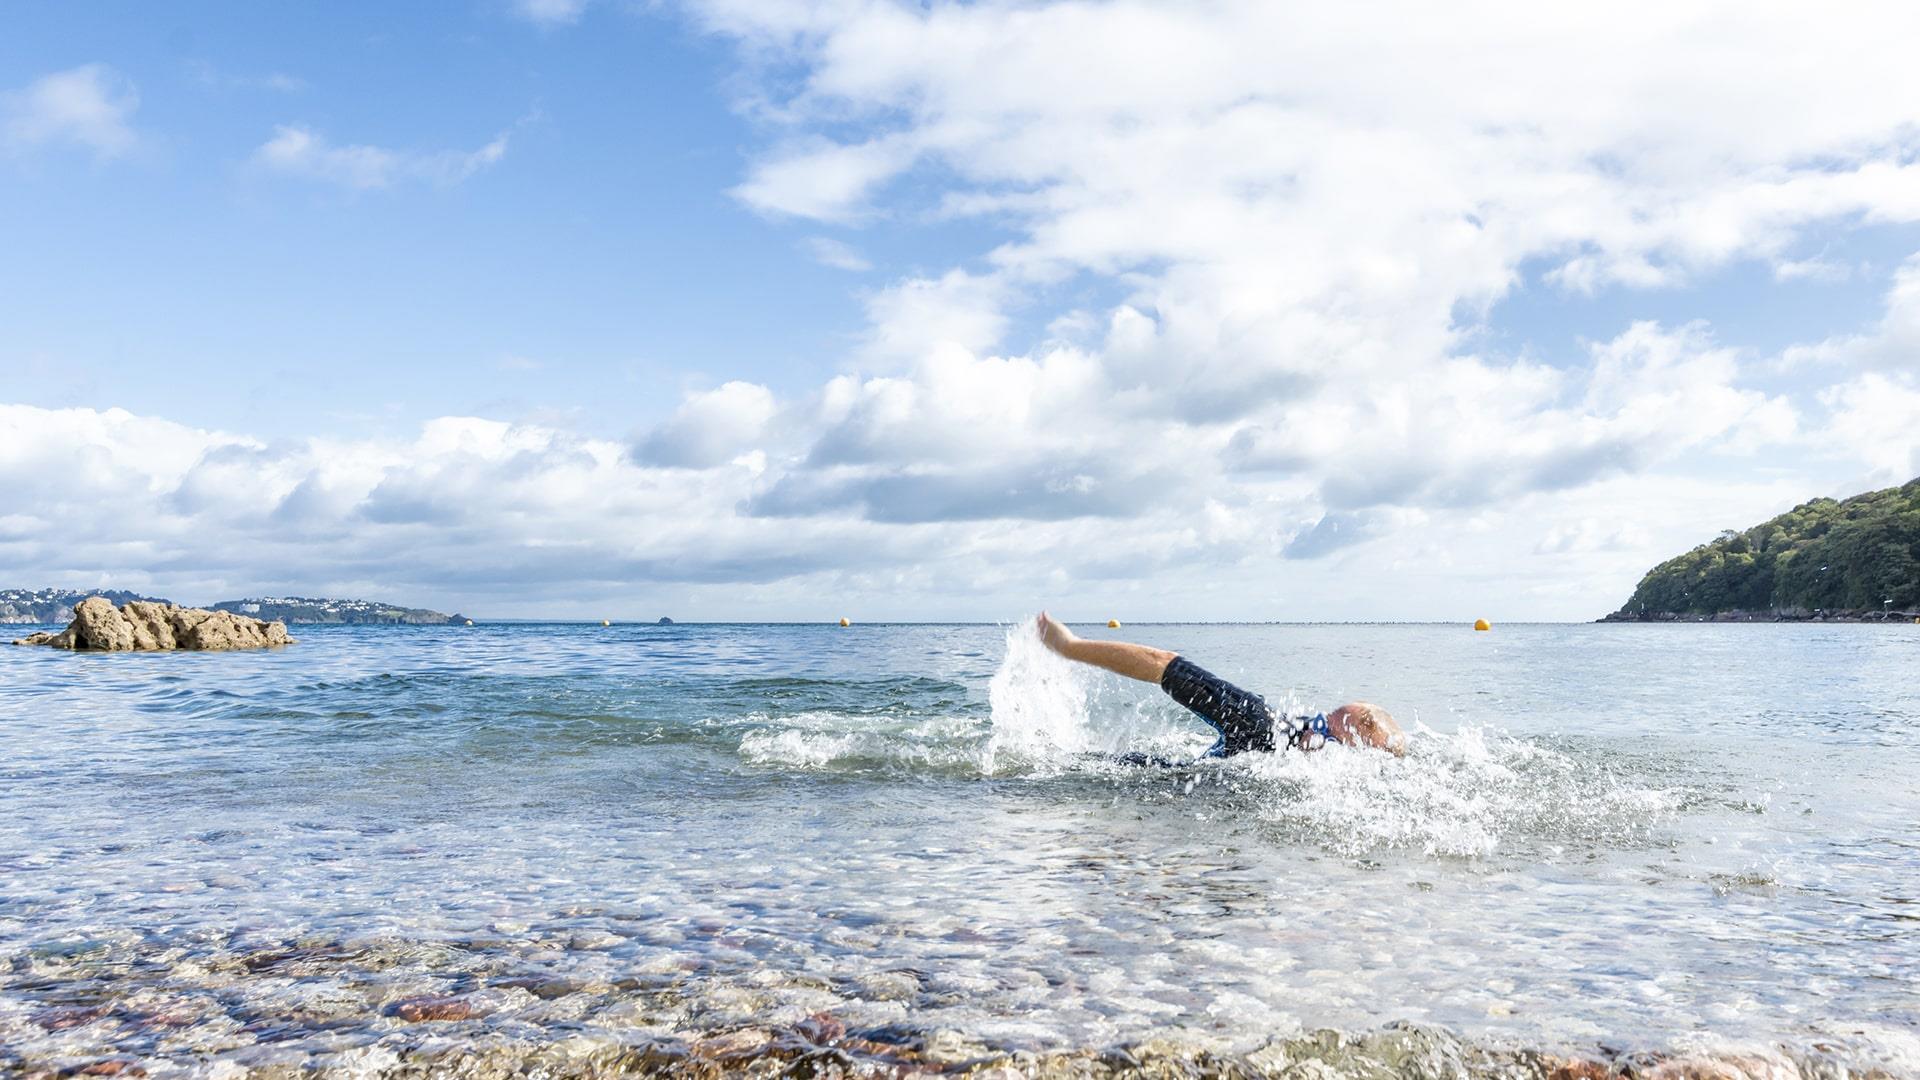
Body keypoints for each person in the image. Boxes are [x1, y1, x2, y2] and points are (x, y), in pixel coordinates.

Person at [1035, 612, 1407, 758]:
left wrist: (1070, 647)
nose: (1315, 724)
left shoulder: (1263, 725)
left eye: (1326, 725)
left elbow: (1164, 666)